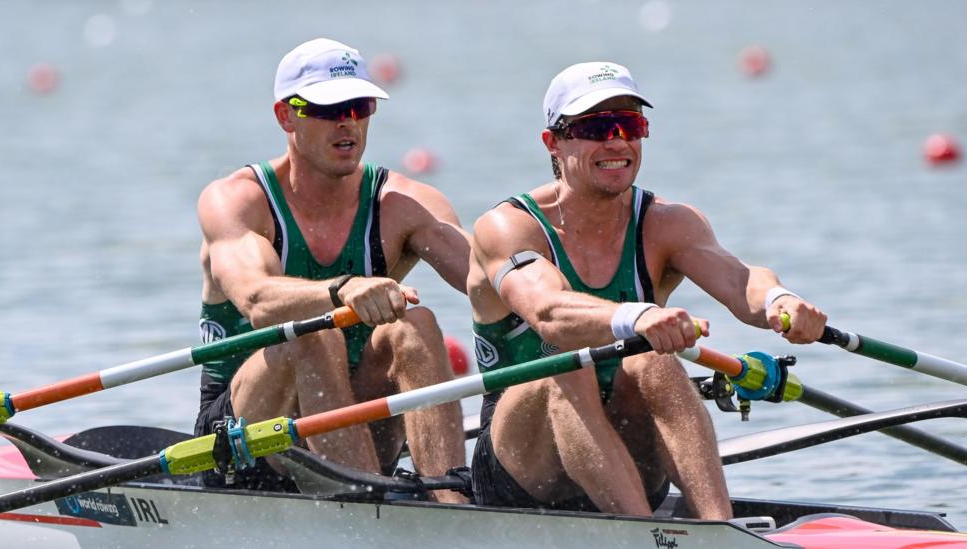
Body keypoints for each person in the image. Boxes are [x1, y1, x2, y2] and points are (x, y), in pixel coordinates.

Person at [467, 61, 827, 518]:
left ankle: (719, 529)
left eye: (630, 124)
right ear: (553, 142)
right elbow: (548, 311)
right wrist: (636, 316)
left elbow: (741, 281)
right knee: (566, 362)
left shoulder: (668, 223)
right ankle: (645, 535)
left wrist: (780, 300)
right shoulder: (507, 226)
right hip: (519, 471)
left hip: (627, 458)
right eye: (597, 126)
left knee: (652, 361)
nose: (616, 140)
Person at [195, 38, 470, 504]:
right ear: (286, 116)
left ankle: (452, 506)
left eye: (360, 106)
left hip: (350, 418)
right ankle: (367, 506)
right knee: (312, 333)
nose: (348, 122)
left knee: (417, 325)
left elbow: (490, 283)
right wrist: (343, 289)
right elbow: (256, 300)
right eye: (329, 108)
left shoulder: (403, 204)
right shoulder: (239, 201)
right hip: (243, 436)